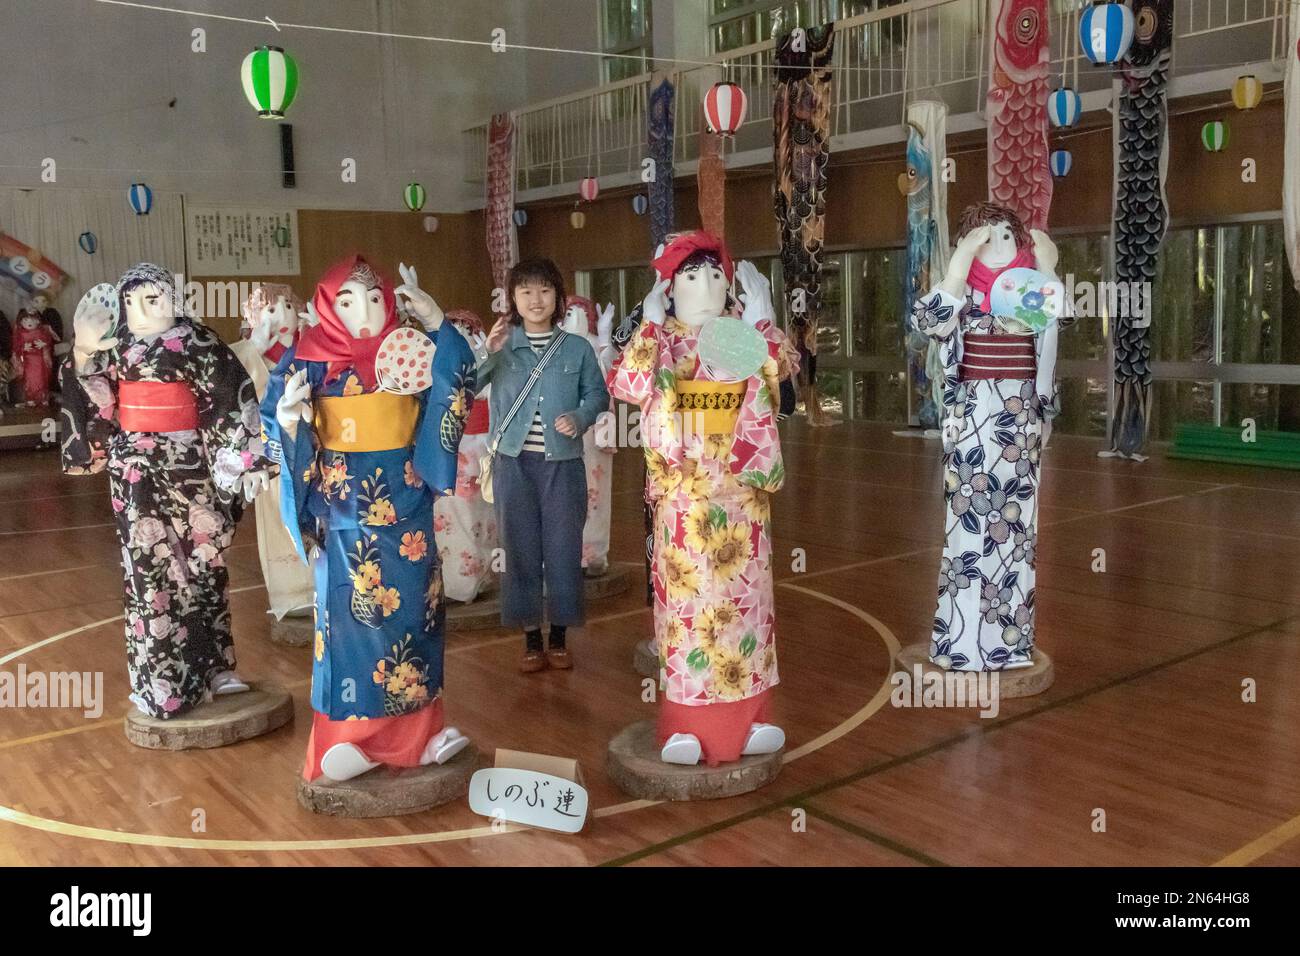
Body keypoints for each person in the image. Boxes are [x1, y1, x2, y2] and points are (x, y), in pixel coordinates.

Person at [261, 255, 477, 783]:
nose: (366, 310)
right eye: (349, 300)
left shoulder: (408, 350)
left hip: (406, 507)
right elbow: (272, 419)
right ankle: (348, 739)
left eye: (376, 297)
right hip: (342, 511)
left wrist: (437, 325)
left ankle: (421, 735)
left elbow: (460, 382)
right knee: (351, 623)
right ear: (326, 306)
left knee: (416, 616)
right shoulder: (307, 357)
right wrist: (289, 419)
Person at [608, 231, 797, 767]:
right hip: (685, 500)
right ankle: (684, 725)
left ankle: (754, 717)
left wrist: (761, 323)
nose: (708, 283)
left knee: (748, 608)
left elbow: (781, 375)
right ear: (668, 288)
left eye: (716, 274)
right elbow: (628, 384)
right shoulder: (661, 339)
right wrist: (647, 325)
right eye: (691, 275)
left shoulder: (738, 334)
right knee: (690, 612)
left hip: (742, 495)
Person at [59, 265, 269, 718]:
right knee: (147, 569)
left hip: (189, 463)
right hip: (134, 469)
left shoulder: (199, 342)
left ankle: (217, 668)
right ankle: (161, 681)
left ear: (174, 299)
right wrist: (82, 354)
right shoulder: (116, 347)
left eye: (154, 299)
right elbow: (94, 399)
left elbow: (230, 397)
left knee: (203, 561)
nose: (142, 311)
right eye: (131, 302)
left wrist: (244, 459)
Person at [910, 201, 1062, 672]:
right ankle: (960, 644)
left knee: (1017, 530)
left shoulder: (1031, 289)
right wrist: (956, 271)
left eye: (1006, 235)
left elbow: (1053, 341)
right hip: (972, 416)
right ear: (967, 246)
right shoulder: (962, 293)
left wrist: (1049, 269)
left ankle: (1009, 644)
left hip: (1021, 420)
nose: (996, 243)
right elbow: (928, 324)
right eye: (983, 235)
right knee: (970, 525)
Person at [477, 258, 610, 673]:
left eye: (545, 290)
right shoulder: (502, 345)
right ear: (513, 299)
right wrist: (487, 352)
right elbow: (469, 386)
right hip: (512, 464)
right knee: (520, 550)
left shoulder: (577, 347)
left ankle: (559, 637)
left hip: (563, 464)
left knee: (563, 549)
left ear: (558, 297)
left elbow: (598, 396)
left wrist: (581, 416)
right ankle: (531, 638)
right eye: (526, 291)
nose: (536, 300)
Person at [230, 284, 315, 621]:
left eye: (287, 308)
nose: (281, 317)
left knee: (316, 516)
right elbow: (230, 393)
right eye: (269, 310)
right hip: (272, 452)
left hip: (313, 449)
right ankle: (292, 593)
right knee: (279, 515)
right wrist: (252, 349)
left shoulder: (311, 350)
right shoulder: (243, 354)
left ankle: (323, 583)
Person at [434, 308, 499, 603]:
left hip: (482, 443)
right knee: (452, 511)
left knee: (485, 512)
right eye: (454, 330)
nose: (461, 335)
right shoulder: (436, 363)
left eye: (467, 330)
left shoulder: (489, 362)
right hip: (453, 444)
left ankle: (482, 575)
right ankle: (457, 581)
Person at [559, 295, 617, 576]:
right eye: (569, 312)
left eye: (581, 311)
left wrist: (605, 337)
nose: (575, 317)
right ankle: (563, 554)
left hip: (594, 430)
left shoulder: (596, 345)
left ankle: (593, 555)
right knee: (562, 493)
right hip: (562, 427)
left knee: (595, 492)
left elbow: (613, 377)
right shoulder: (553, 346)